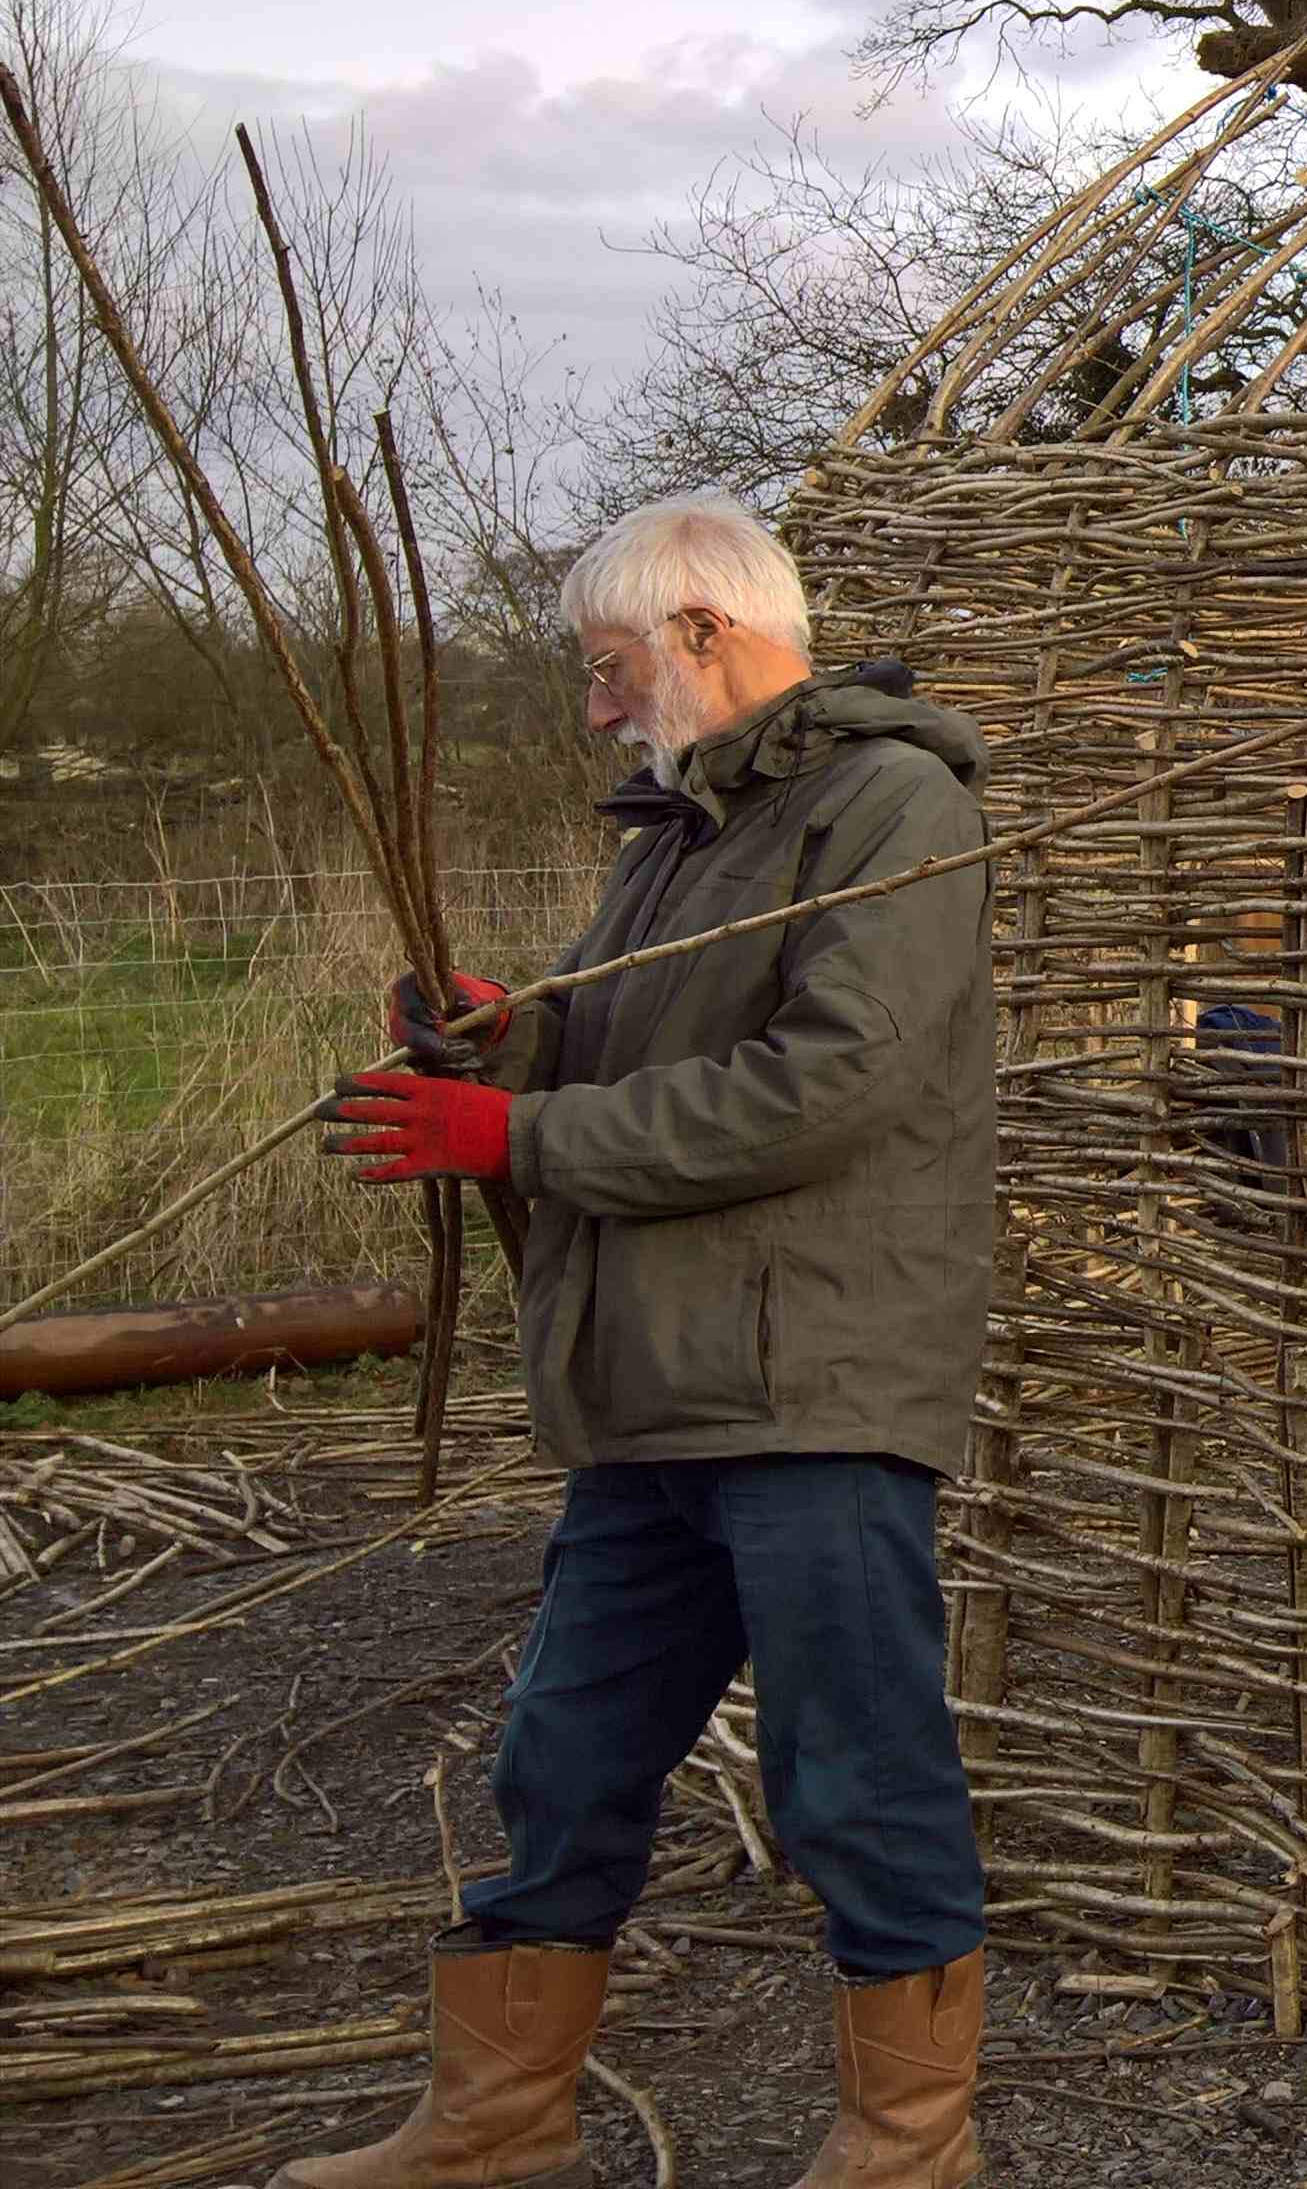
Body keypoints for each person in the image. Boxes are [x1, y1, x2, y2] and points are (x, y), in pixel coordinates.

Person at [301, 492, 1000, 2186]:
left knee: (852, 1770)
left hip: (808, 1386)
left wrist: (515, 1141)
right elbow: (630, 1049)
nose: (599, 707)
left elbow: (822, 1085)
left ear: (705, 632)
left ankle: (908, 2146)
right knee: (565, 1752)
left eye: (614, 668)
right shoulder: (676, 834)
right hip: (654, 1393)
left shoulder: (891, 804)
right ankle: (501, 2118)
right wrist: (506, 1039)